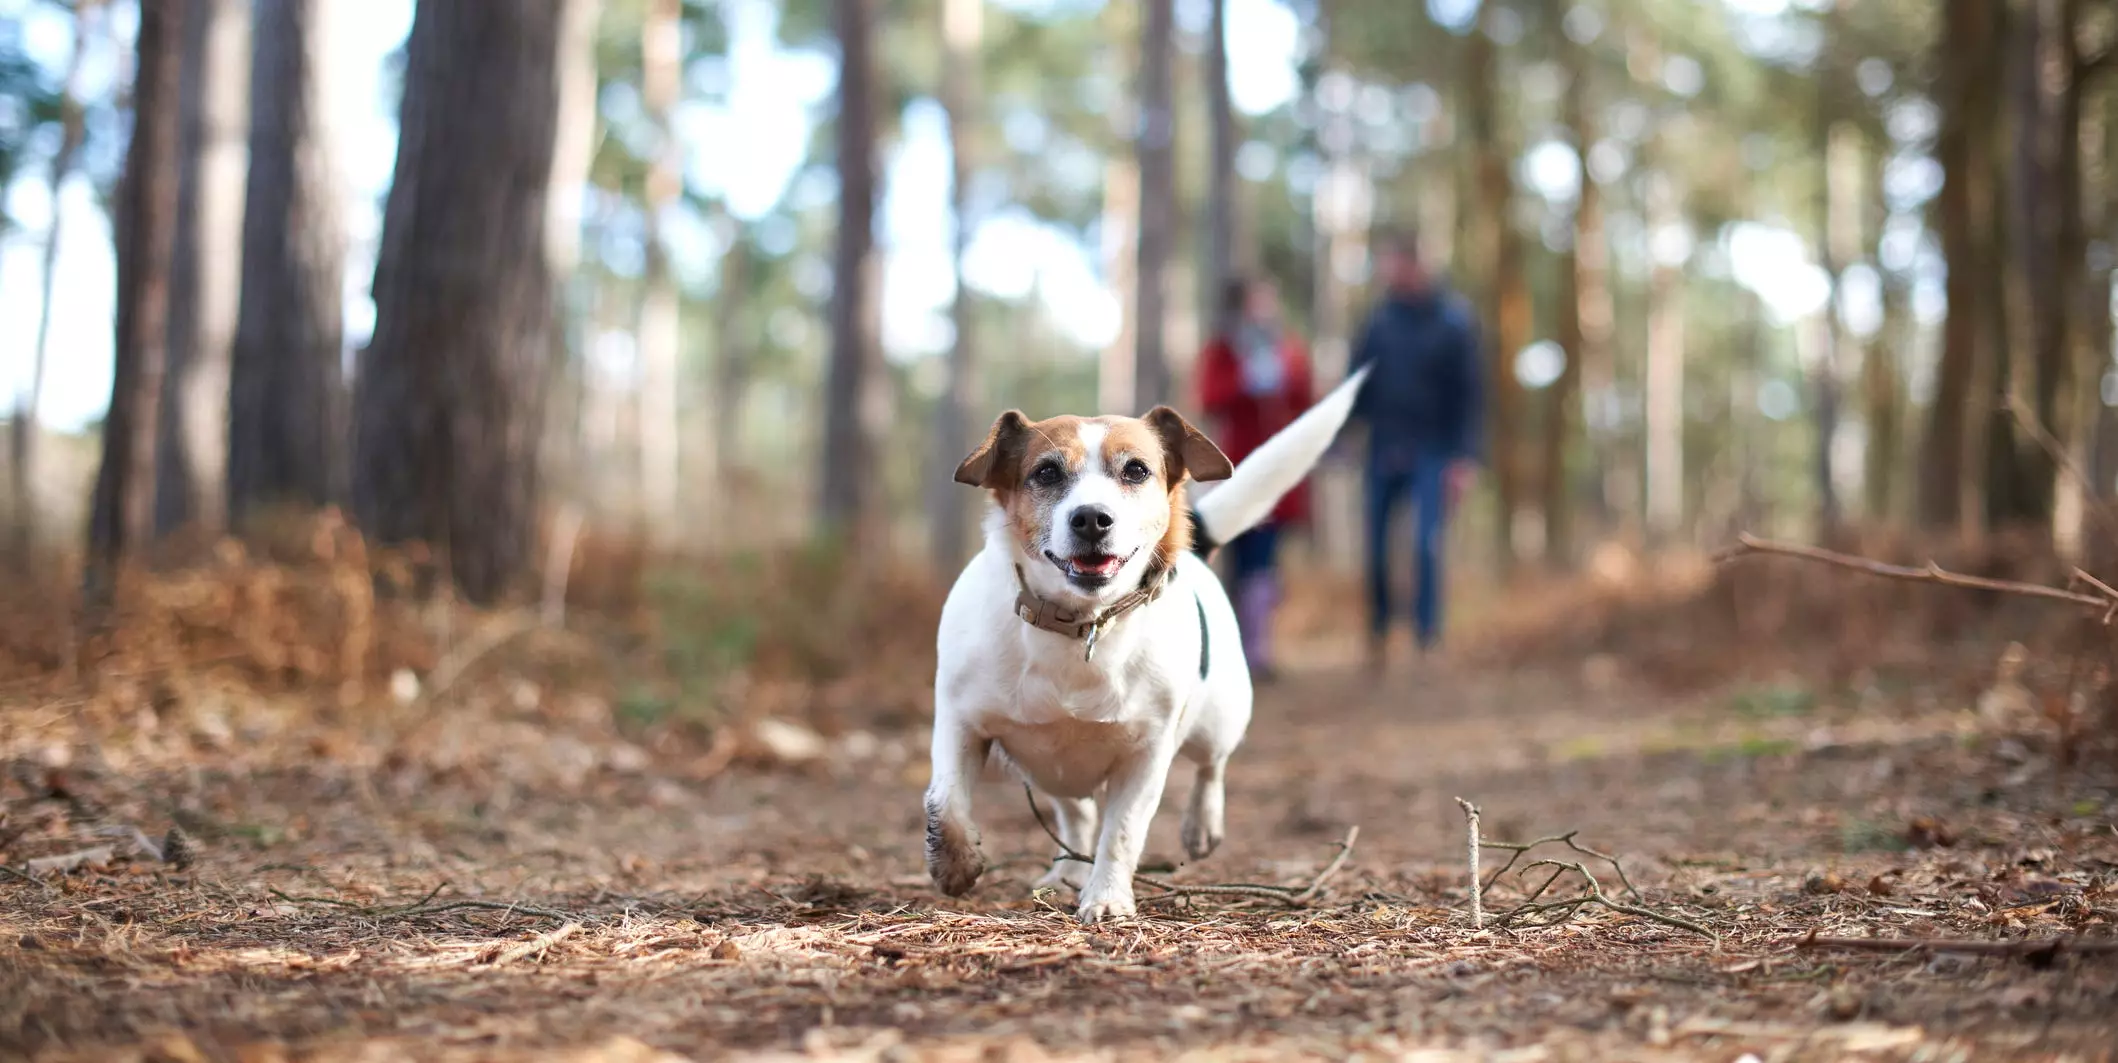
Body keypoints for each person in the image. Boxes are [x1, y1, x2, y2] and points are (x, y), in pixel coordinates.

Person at [1345, 227, 1483, 670]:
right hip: (1384, 448)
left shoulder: (1455, 320)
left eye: (1394, 265)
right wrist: (1342, 435)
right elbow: (1356, 386)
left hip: (1436, 451)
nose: (1388, 274)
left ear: (1415, 266)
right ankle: (1380, 631)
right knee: (1377, 548)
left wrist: (1465, 458)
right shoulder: (1379, 321)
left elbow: (1473, 395)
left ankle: (1428, 637)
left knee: (1426, 545)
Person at [1197, 276, 1314, 683]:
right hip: (1233, 470)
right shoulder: (1222, 349)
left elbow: (1303, 395)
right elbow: (1210, 398)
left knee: (1263, 559)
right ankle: (1223, 647)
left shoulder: (1286, 346)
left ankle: (1257, 650)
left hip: (1275, 472)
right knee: (1229, 558)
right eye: (1259, 300)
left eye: (1270, 299)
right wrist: (1245, 382)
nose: (1267, 307)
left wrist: (1283, 377)